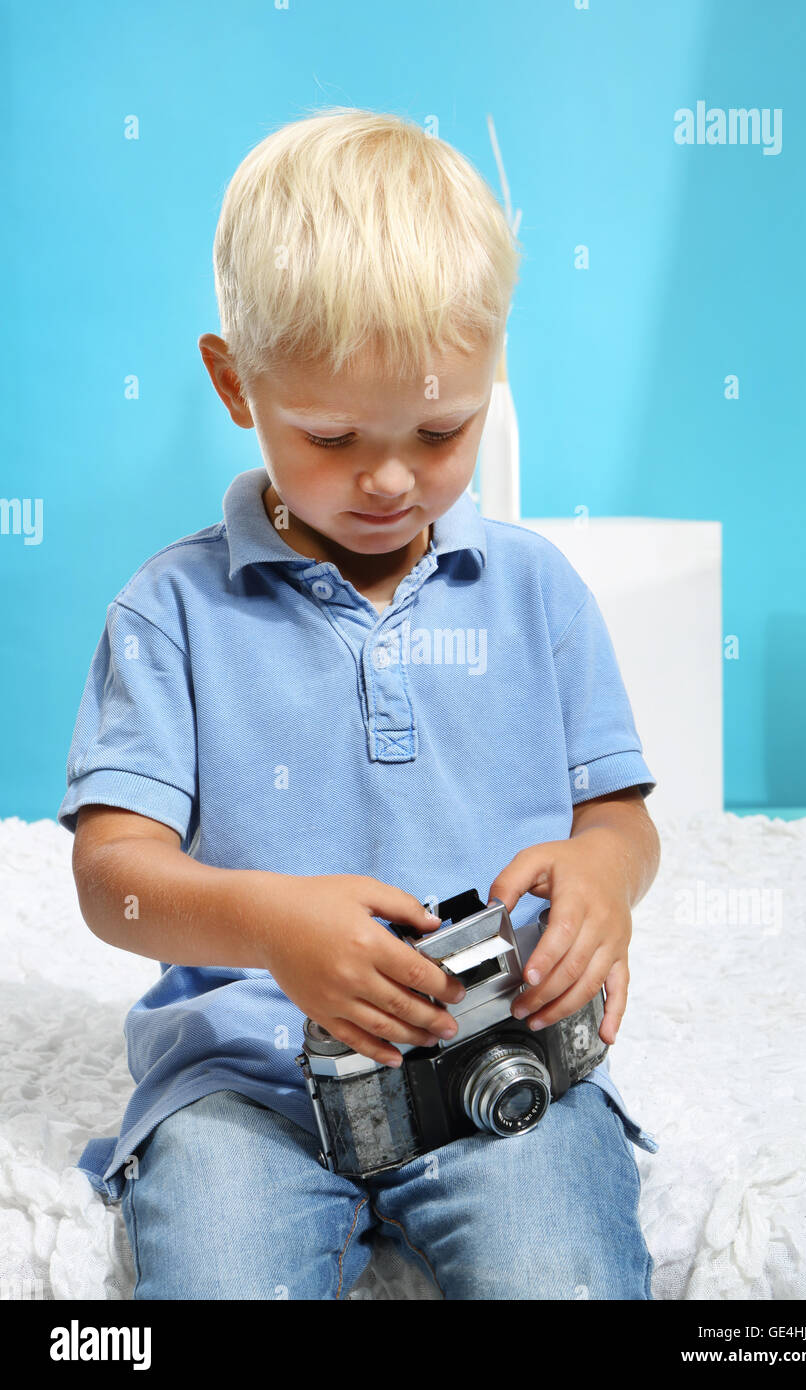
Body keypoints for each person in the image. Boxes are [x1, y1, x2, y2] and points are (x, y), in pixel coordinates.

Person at [58, 107, 661, 1300]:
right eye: (331, 436)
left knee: (559, 1274)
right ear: (235, 384)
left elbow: (620, 820)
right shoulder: (168, 611)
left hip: (495, 1062)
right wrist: (275, 928)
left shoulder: (534, 591)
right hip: (247, 1084)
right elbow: (109, 879)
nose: (390, 478)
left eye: (441, 430)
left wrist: (601, 882)